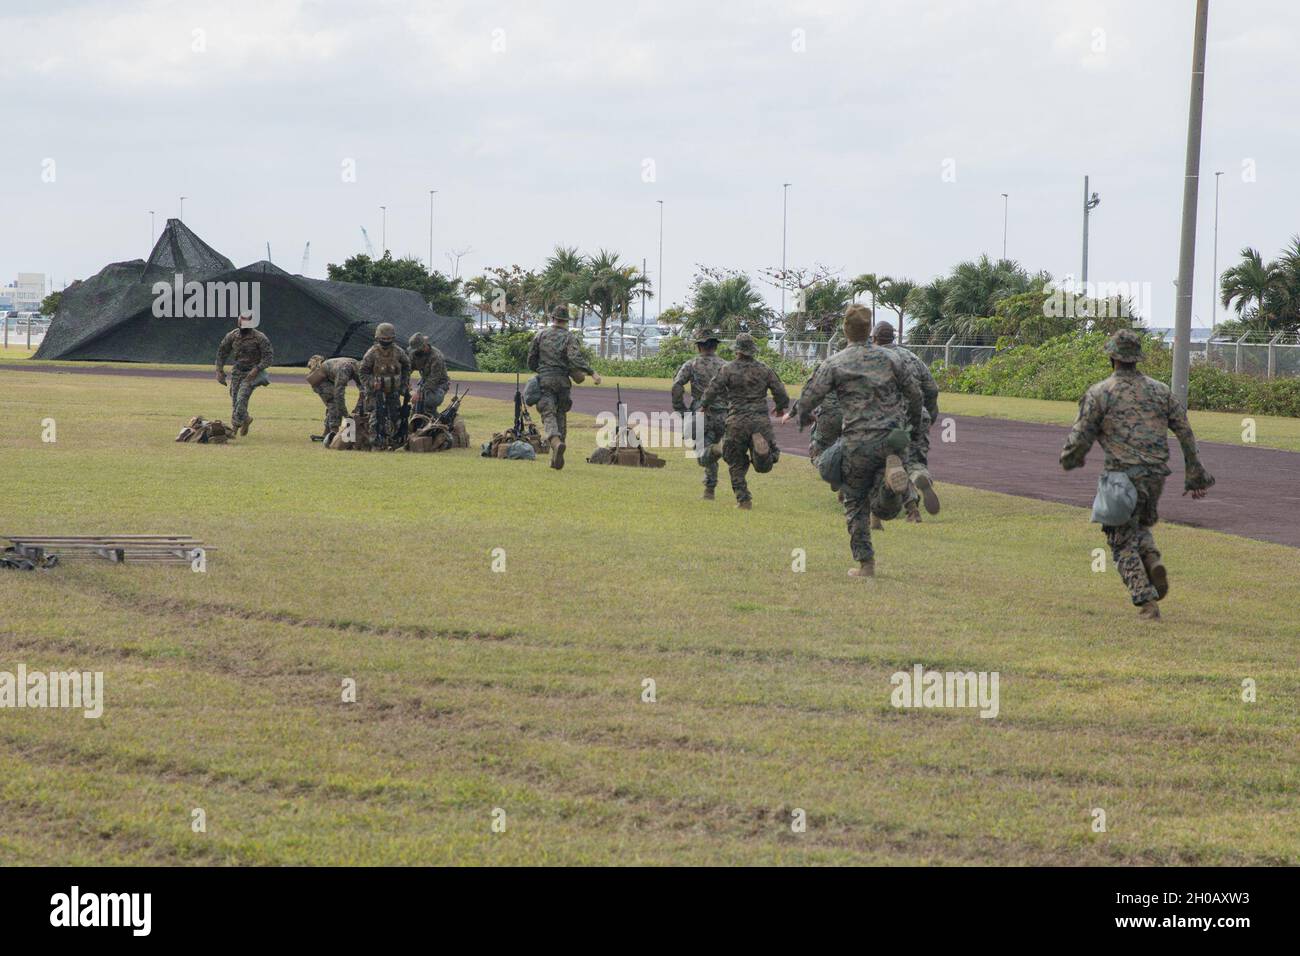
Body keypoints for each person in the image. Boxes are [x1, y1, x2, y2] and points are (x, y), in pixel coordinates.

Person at [1059, 329, 1215, 620]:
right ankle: (1152, 558)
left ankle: (1146, 601)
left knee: (1119, 539)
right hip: (1155, 476)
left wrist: (1070, 459)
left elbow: (1081, 436)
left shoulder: (1100, 392)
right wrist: (1195, 475)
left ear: (1112, 358)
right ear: (1136, 359)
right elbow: (1185, 432)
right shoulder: (1160, 391)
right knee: (1139, 524)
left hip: (1120, 476)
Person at [782, 304, 922, 577]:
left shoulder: (836, 362)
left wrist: (799, 416)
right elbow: (915, 395)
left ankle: (866, 564)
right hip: (893, 439)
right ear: (869, 330)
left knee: (856, 501)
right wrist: (912, 428)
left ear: (846, 330)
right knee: (885, 505)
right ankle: (891, 487)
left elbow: (811, 396)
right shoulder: (893, 359)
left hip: (858, 440)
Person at [699, 331, 789, 510]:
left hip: (736, 421)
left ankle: (744, 500)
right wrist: (780, 407)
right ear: (753, 351)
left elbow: (713, 389)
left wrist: (704, 405)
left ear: (737, 351)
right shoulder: (764, 369)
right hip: (760, 421)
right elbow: (780, 391)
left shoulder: (728, 369)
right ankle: (763, 454)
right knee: (768, 461)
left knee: (735, 462)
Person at [871, 320, 941, 521]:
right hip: (917, 415)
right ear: (893, 337)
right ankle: (920, 475)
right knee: (914, 460)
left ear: (875, 338)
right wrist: (926, 414)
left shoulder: (871, 359)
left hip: (888, 419)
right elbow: (932, 389)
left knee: (891, 463)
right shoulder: (911, 357)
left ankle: (911, 509)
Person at [526, 305, 601, 469]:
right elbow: (575, 359)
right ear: (566, 321)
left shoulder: (540, 335)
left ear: (552, 318)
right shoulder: (569, 337)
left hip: (545, 379)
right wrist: (592, 373)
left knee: (548, 413)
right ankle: (556, 457)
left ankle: (554, 440)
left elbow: (531, 360)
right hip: (563, 382)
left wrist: (541, 370)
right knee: (561, 415)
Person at [671, 330, 728, 499]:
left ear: (699, 347)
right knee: (711, 451)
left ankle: (710, 486)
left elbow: (677, 386)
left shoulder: (691, 364)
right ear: (715, 346)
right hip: (723, 415)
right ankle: (709, 491)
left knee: (703, 454)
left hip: (701, 415)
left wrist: (681, 411)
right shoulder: (726, 365)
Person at [215, 313, 273, 436]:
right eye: (242, 323)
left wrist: (257, 369)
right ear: (238, 322)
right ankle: (246, 419)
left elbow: (268, 357)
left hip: (252, 374)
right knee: (235, 399)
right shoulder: (232, 335)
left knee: (241, 399)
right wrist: (219, 370)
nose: (244, 326)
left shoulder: (260, 338)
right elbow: (222, 352)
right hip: (237, 372)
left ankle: (233, 429)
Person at [359, 322, 411, 449]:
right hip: (376, 393)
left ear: (393, 338)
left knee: (396, 416)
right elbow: (363, 371)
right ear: (378, 338)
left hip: (394, 391)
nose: (386, 341)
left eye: (389, 339)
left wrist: (403, 385)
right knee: (376, 418)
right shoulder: (372, 353)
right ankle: (376, 443)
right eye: (383, 339)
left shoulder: (399, 352)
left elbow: (406, 366)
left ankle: (393, 442)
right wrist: (372, 384)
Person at [306, 354, 365, 438]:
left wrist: (357, 410)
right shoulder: (345, 370)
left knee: (333, 404)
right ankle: (333, 433)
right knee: (334, 403)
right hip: (320, 381)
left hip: (329, 377)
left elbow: (364, 391)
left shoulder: (358, 368)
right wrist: (347, 416)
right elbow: (339, 396)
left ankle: (327, 434)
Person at [408, 333, 451, 416]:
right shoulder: (415, 354)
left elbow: (433, 380)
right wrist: (406, 381)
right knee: (415, 410)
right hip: (425, 382)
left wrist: (418, 392)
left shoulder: (436, 357)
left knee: (427, 403)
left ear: (424, 346)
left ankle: (436, 421)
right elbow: (409, 368)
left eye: (417, 349)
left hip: (439, 385)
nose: (415, 352)